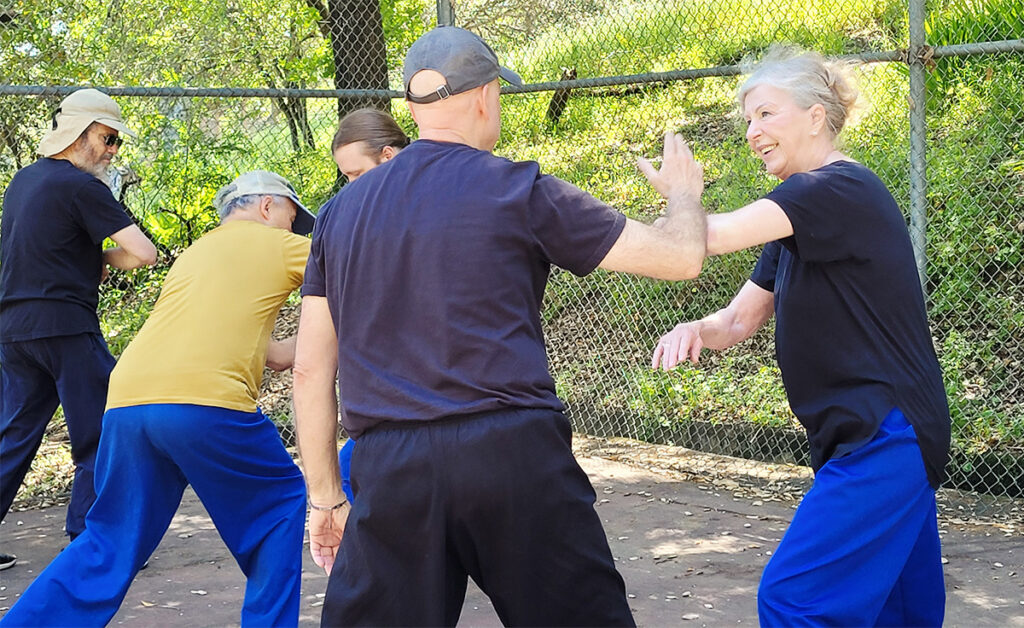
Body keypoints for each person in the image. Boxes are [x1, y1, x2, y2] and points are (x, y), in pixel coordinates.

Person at [293, 26, 707, 626]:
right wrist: (684, 197)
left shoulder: (337, 215)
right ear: (486, 96)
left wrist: (327, 496)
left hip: (390, 464)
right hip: (511, 452)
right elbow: (680, 258)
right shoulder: (519, 188)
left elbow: (310, 369)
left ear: (412, 108)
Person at [651, 47, 950, 627]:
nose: (751, 131)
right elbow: (739, 320)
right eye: (746, 120)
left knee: (795, 599)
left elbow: (708, 235)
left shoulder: (835, 190)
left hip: (887, 433)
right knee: (900, 612)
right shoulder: (798, 217)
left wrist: (682, 199)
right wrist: (697, 328)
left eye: (765, 114)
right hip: (862, 435)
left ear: (816, 116)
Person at [0, 170, 317, 627]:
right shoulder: (278, 245)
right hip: (203, 404)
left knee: (109, 540)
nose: (294, 230)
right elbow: (361, 269)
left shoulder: (193, 257)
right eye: (292, 217)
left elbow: (282, 356)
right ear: (266, 206)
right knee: (279, 505)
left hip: (129, 403)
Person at [0, 89, 158, 570]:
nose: (112, 151)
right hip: (65, 326)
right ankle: (90, 536)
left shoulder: (22, 182)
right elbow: (143, 253)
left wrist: (87, 260)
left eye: (117, 143)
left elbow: (40, 250)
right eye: (108, 139)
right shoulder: (84, 187)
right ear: (81, 132)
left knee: (13, 435)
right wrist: (104, 258)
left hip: (13, 329)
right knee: (101, 427)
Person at [329, 107, 412, 502]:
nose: (350, 187)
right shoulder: (354, 217)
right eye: (345, 178)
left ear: (388, 155)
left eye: (356, 175)